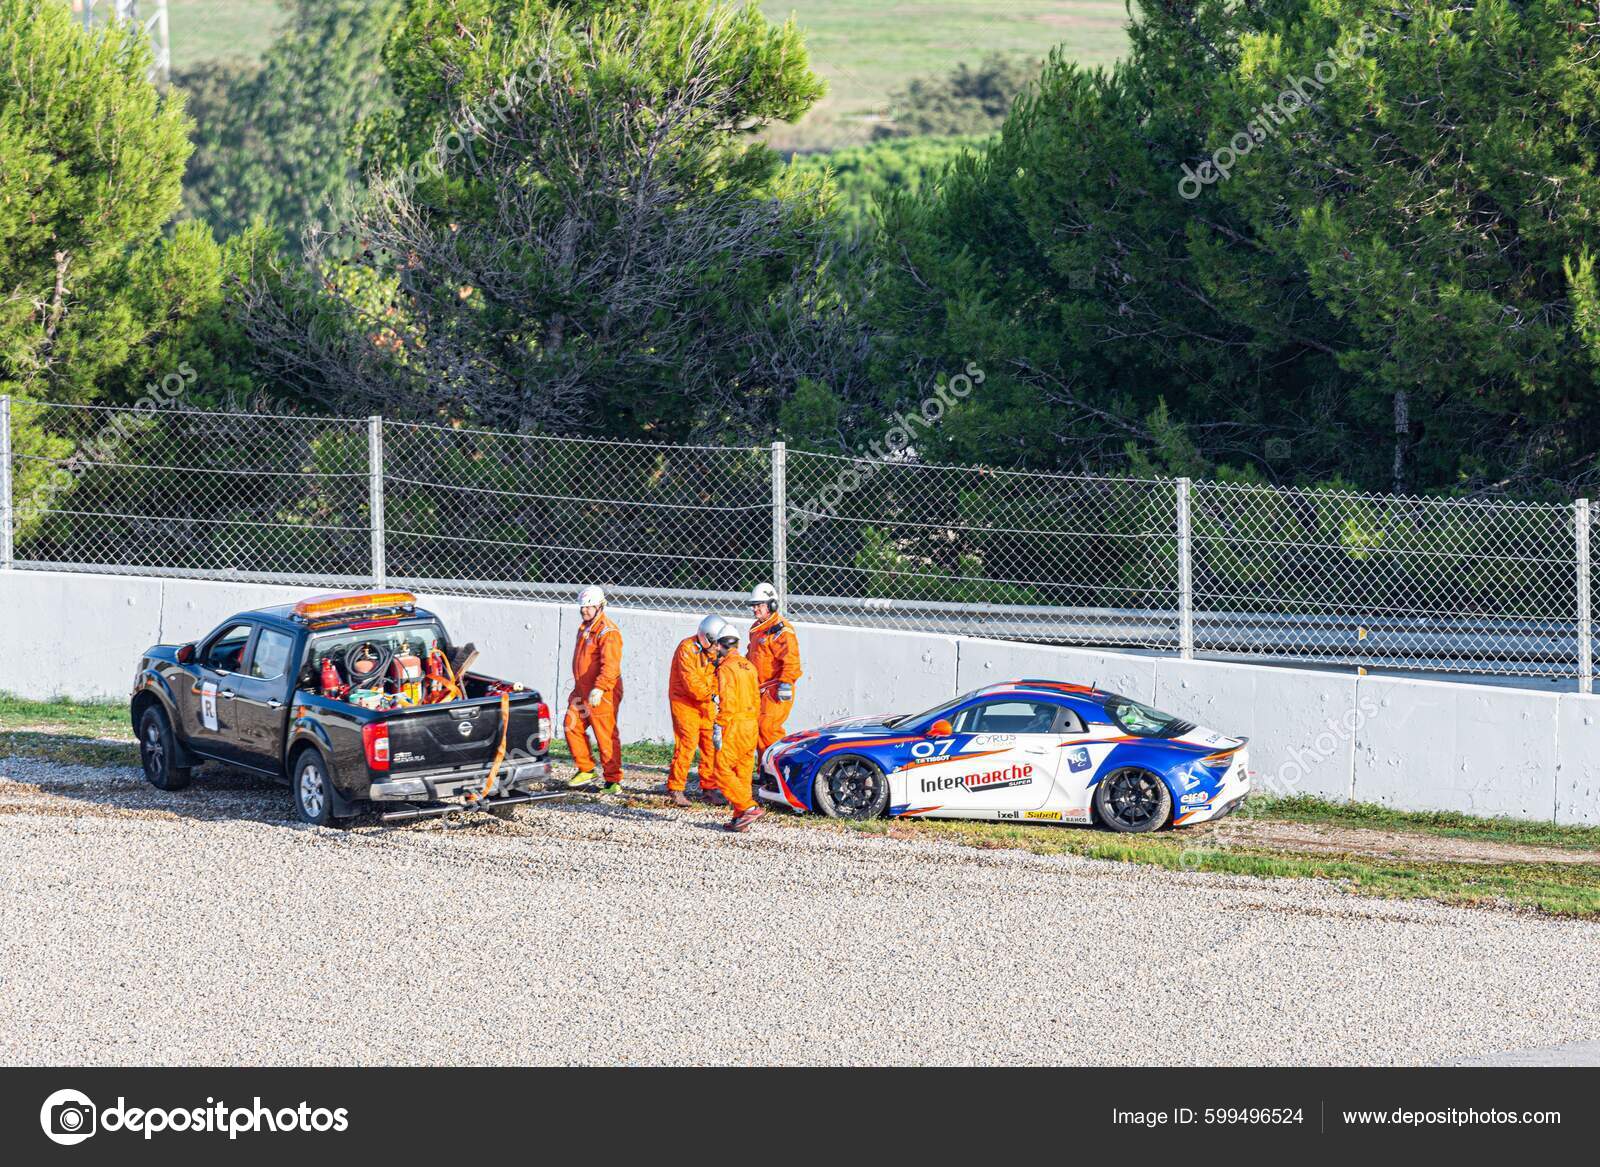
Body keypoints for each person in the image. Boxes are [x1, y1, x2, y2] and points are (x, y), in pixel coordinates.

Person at [564, 585, 624, 794]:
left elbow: (611, 666)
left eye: (589, 608)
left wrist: (599, 688)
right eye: (582, 608)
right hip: (582, 691)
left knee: (605, 734)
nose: (584, 611)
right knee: (571, 726)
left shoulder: (608, 632)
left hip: (602, 692)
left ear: (600, 607)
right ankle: (586, 768)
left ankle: (612, 780)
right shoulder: (585, 628)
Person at [666, 615, 726, 809]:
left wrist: (718, 693)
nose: (719, 647)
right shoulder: (687, 649)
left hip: (706, 702)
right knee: (687, 744)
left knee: (710, 745)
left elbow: (721, 676)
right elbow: (691, 683)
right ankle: (676, 788)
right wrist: (714, 695)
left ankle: (709, 789)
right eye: (716, 643)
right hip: (685, 703)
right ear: (706, 638)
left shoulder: (717, 653)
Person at [710, 627, 764, 833]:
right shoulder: (749, 666)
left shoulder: (726, 668)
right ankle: (740, 819)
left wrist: (719, 724)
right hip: (751, 724)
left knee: (722, 769)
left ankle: (748, 806)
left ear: (718, 645)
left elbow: (728, 701)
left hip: (734, 723)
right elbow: (757, 697)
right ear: (738, 644)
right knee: (742, 772)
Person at [746, 582, 802, 757]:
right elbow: (751, 655)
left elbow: (791, 660)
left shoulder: (782, 631)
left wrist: (786, 684)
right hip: (761, 688)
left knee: (768, 728)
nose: (755, 609)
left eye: (759, 605)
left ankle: (780, 766)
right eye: (753, 606)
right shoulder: (758, 629)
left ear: (771, 605)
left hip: (776, 687)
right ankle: (765, 770)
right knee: (759, 728)